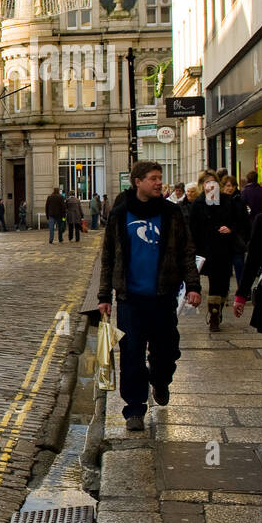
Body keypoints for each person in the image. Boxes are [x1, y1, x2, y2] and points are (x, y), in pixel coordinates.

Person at [98, 161, 202, 432]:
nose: (159, 183)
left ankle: (161, 380)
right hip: (130, 299)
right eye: (153, 178)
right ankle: (134, 409)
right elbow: (108, 257)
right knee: (131, 355)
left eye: (160, 178)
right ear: (138, 182)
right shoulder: (121, 214)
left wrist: (193, 286)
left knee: (167, 351)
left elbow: (186, 251)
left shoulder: (172, 213)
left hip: (163, 296)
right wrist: (104, 295)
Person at [190, 171, 250, 333]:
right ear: (202, 186)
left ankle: (218, 309)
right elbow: (193, 229)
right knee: (215, 281)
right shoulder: (198, 204)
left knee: (223, 283)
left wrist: (231, 229)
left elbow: (241, 222)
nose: (212, 186)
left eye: (214, 183)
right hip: (207, 249)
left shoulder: (227, 201)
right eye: (208, 183)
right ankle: (214, 315)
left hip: (225, 248)